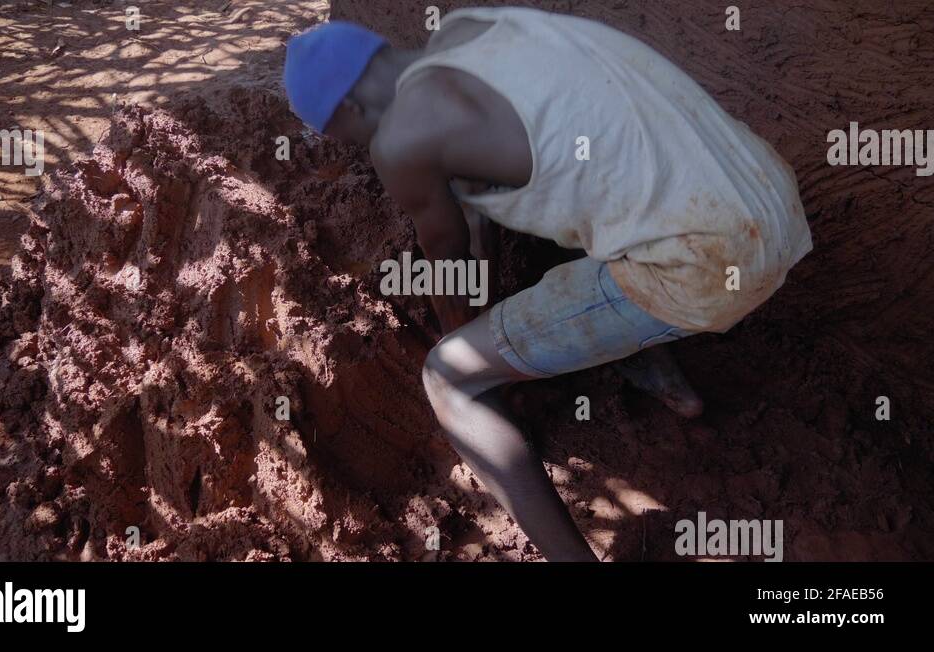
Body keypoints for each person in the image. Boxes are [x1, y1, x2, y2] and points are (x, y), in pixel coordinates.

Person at [283, 7, 812, 561]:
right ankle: (654, 363)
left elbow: (447, 258)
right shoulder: (473, 28)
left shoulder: (397, 142)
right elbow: (483, 211)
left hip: (708, 263)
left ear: (349, 108)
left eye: (342, 135)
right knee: (582, 185)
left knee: (448, 380)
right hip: (766, 193)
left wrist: (466, 350)